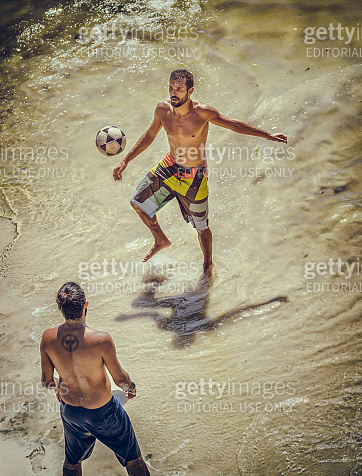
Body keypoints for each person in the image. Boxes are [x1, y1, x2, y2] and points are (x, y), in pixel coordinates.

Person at [113, 69, 287, 276]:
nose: (173, 93)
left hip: (194, 176)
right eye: (170, 88)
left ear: (190, 90)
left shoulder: (203, 113)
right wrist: (125, 160)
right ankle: (160, 239)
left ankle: (208, 266)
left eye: (178, 89)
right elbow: (150, 135)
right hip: (169, 166)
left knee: (202, 227)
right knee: (138, 203)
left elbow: (233, 125)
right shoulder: (162, 110)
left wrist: (267, 135)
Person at [40, 282, 150, 476]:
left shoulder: (48, 338)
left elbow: (47, 382)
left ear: (60, 308)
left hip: (71, 412)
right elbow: (119, 379)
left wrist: (60, 385)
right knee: (133, 458)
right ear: (86, 304)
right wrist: (131, 387)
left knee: (72, 461)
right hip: (104, 413)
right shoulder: (101, 339)